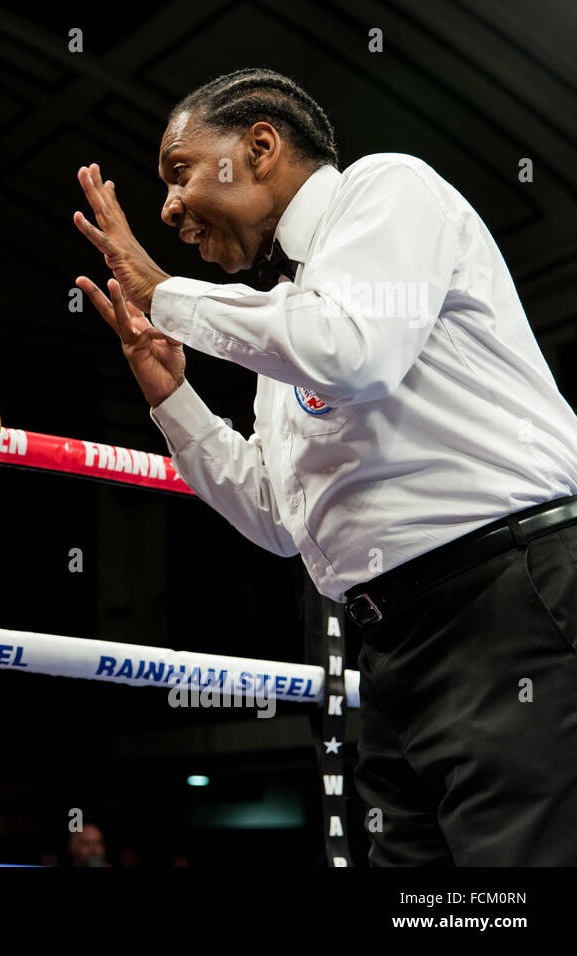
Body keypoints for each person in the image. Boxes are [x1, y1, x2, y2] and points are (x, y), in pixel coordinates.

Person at [73, 68, 577, 866]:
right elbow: (282, 517)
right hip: (391, 644)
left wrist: (167, 295)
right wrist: (175, 397)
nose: (167, 208)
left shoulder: (388, 190)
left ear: (261, 147)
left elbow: (352, 353)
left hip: (506, 601)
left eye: (181, 173)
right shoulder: (289, 311)